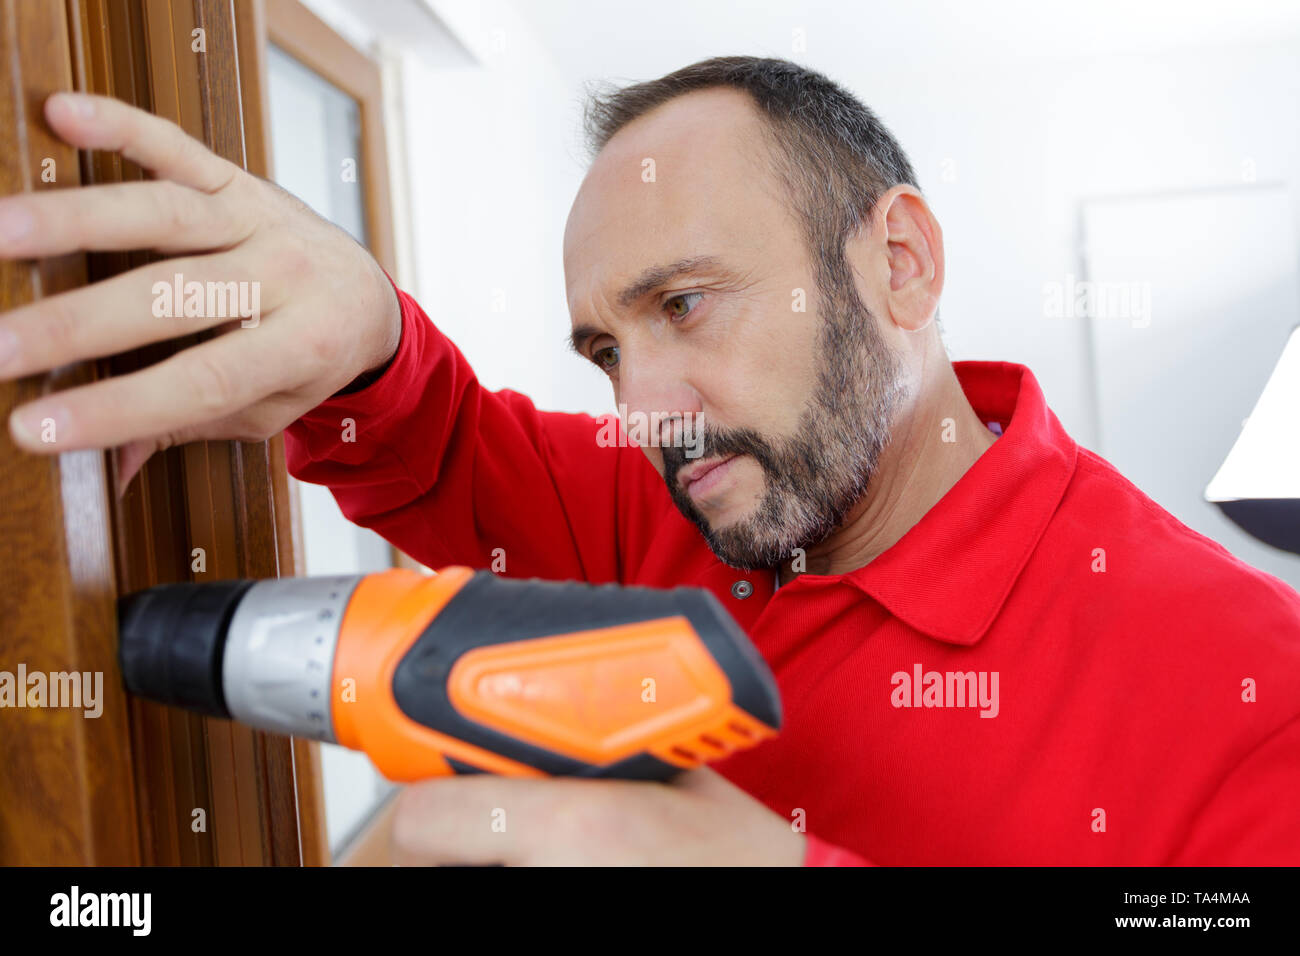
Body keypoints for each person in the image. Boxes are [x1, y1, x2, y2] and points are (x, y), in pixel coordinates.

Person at [3, 56, 1298, 866]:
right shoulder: (680, 503)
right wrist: (360, 339)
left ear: (898, 263)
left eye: (684, 305)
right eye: (602, 351)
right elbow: (447, 439)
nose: (646, 412)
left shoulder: (1255, 693)